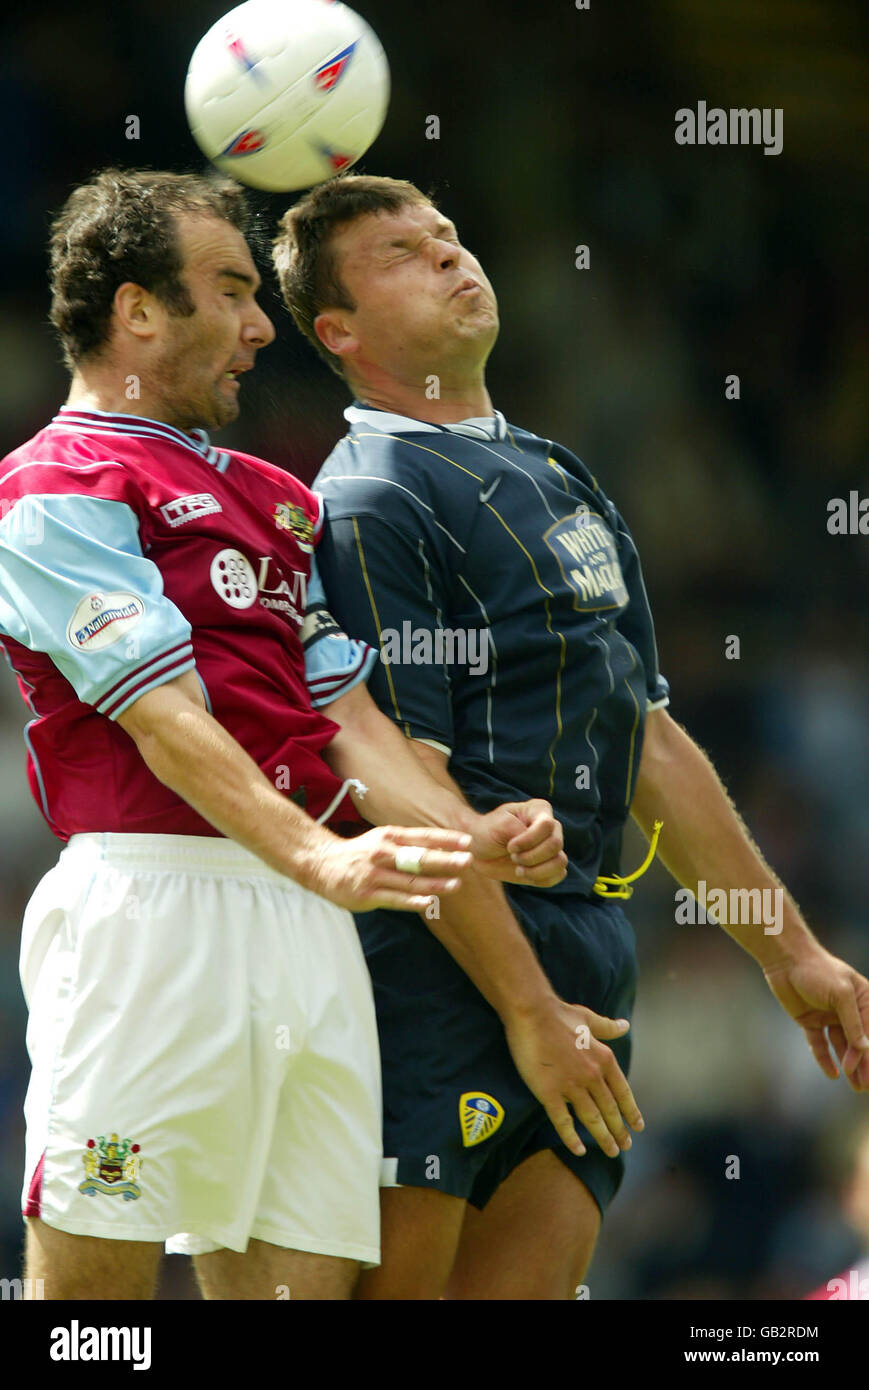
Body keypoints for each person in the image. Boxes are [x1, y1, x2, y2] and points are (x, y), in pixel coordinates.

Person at [272, 173, 869, 1300]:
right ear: (337, 332)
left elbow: (645, 738)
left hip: (585, 954)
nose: (450, 256)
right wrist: (523, 1010)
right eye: (402, 252)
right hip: (440, 970)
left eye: (448, 234)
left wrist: (788, 953)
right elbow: (407, 794)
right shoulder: (371, 499)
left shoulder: (559, 473)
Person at [0, 168, 567, 1301]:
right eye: (230, 289)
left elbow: (343, 719)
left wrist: (466, 835)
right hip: (156, 914)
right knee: (93, 1309)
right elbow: (162, 718)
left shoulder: (277, 497)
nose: (263, 326)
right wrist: (316, 849)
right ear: (137, 311)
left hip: (312, 928)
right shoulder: (55, 486)